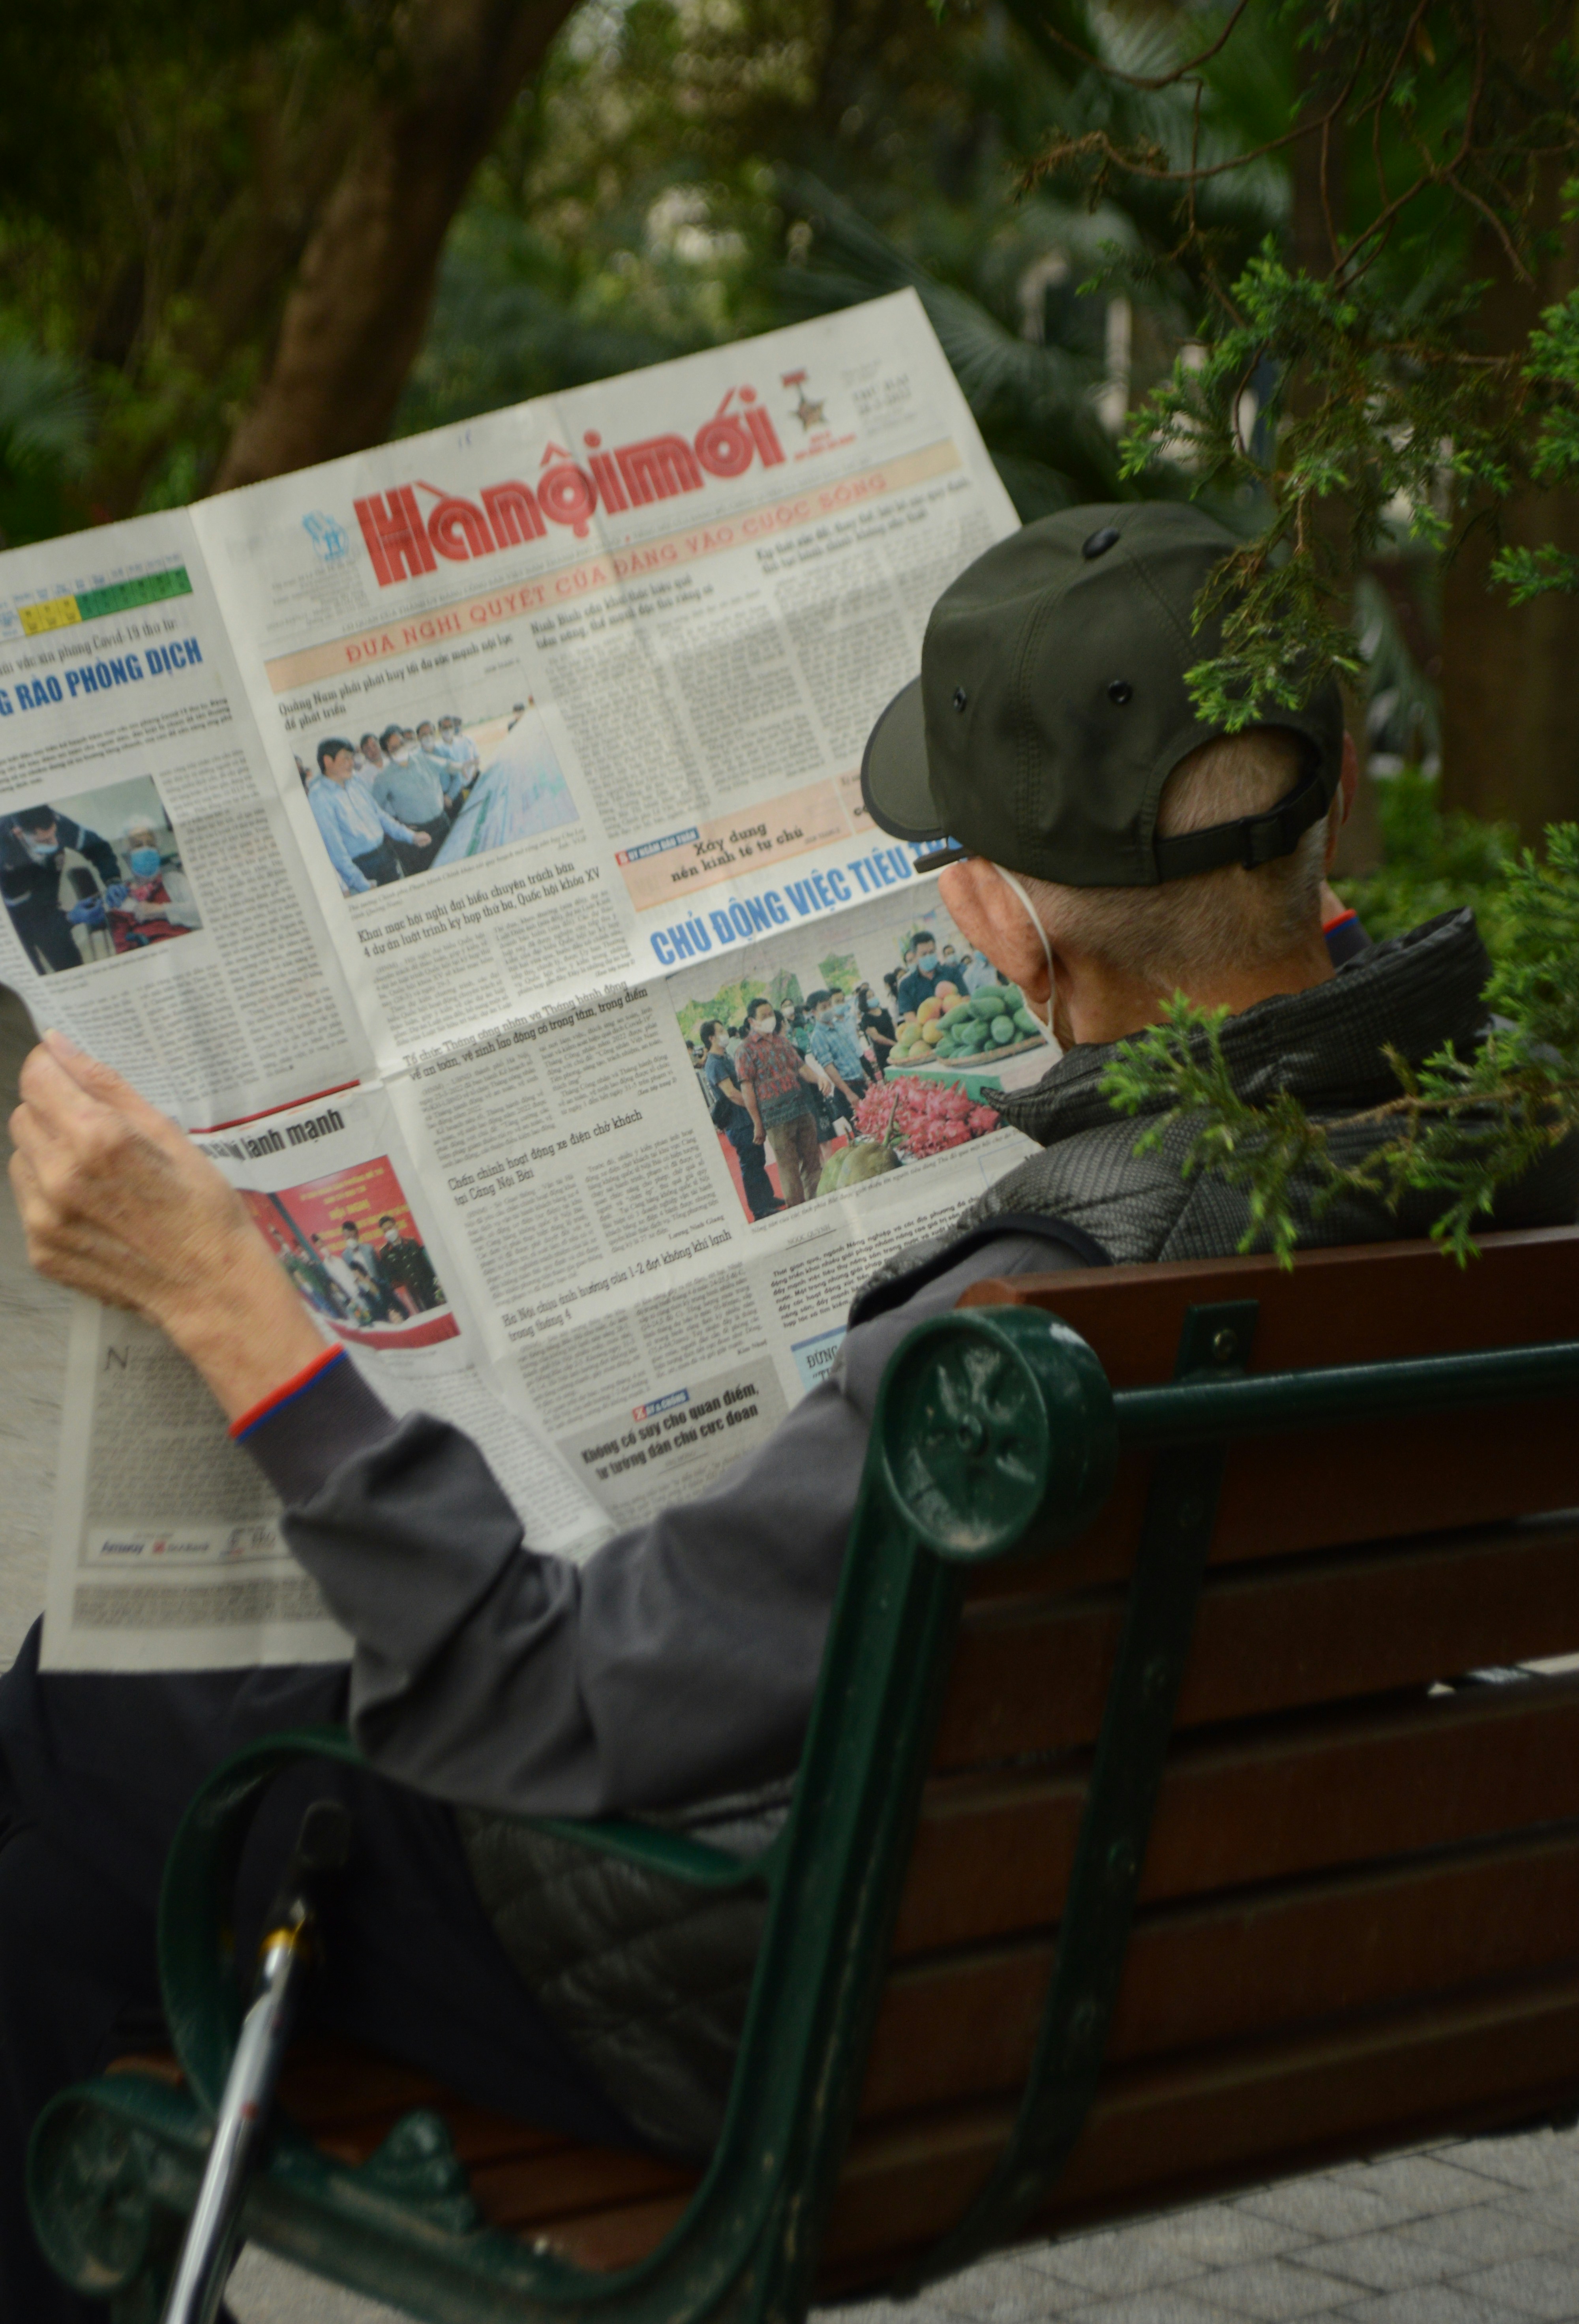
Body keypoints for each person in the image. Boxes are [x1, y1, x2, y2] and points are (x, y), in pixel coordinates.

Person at [8, 502, 1577, 2324]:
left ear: (1005, 926)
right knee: (60, 1881)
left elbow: (532, 1694)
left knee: (71, 1731)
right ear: (1306, 832)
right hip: (1202, 1951)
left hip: (809, 2003)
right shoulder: (1490, 1160)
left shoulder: (1036, 1324)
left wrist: (223, 1295)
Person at [0, 806, 124, 974]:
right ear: (18, 833)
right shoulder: (6, 858)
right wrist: (71, 918)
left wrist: (113, 879)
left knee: (73, 968)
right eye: (44, 841)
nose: (55, 844)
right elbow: (31, 920)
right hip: (15, 918)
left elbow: (98, 848)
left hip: (49, 903)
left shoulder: (59, 823)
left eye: (54, 835)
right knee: (33, 972)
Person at [736, 998, 835, 1208]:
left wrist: (819, 1079)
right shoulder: (746, 1050)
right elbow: (747, 1091)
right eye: (764, 1016)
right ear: (752, 1022)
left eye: (771, 1014)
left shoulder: (782, 1042)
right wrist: (758, 1124)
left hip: (801, 1110)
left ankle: (819, 1206)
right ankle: (799, 1212)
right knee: (790, 1171)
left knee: (812, 1164)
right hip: (776, 1120)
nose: (770, 1019)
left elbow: (801, 1068)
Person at [308, 738, 430, 892]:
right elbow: (335, 849)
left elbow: (380, 816)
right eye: (346, 758)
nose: (351, 763)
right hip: (363, 868)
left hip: (385, 855)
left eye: (351, 758)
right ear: (328, 761)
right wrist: (362, 884)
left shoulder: (355, 783)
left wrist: (411, 836)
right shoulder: (319, 797)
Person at [699, 1017, 780, 1223]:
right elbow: (732, 1094)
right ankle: (759, 1209)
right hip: (738, 1123)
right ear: (712, 1038)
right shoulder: (714, 1064)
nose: (725, 1033)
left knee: (758, 1161)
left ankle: (768, 1199)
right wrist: (755, 1105)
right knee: (750, 1166)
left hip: (746, 1119)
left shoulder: (725, 1058)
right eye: (720, 1031)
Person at [107, 817, 201, 953]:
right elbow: (122, 948)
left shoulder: (175, 880)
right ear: (127, 857)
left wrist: (161, 911)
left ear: (158, 851)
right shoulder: (122, 898)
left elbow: (202, 913)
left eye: (151, 845)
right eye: (138, 846)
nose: (146, 850)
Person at [373, 730, 452, 868]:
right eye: (394, 748)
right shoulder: (384, 778)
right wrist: (398, 826)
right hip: (419, 834)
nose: (400, 749)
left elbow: (447, 767)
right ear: (387, 753)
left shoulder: (422, 758)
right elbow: (375, 810)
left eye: (401, 744)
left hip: (442, 823)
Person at [803, 990, 869, 1109]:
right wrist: (849, 1093)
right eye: (824, 1008)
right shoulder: (818, 1037)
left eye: (830, 1005)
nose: (829, 1009)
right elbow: (829, 1068)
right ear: (814, 1012)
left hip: (861, 1082)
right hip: (848, 1089)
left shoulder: (838, 1026)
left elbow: (853, 1054)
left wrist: (866, 1077)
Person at [340, 1220, 411, 1323]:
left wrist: (386, 1285)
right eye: (348, 1237)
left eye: (353, 1236)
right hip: (368, 1293)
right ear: (344, 1237)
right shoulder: (345, 1256)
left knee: (397, 1313)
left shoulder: (369, 1249)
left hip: (380, 1288)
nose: (351, 1239)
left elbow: (380, 1269)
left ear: (357, 1234)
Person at [375, 1213, 445, 1313]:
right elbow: (391, 1280)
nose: (389, 1232)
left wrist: (436, 1285)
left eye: (390, 1228)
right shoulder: (385, 1253)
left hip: (428, 1290)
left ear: (396, 1226)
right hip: (411, 1298)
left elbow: (426, 1267)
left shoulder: (412, 1243)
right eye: (385, 1231)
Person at [895, 930, 948, 1019]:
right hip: (927, 1031)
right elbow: (910, 1018)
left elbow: (965, 999)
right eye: (924, 954)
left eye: (932, 952)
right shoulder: (906, 986)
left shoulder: (951, 973)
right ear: (915, 956)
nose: (928, 957)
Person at [856, 981, 897, 1069]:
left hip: (897, 1046)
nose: (872, 998)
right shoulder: (866, 1019)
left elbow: (894, 1026)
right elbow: (877, 1038)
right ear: (864, 1001)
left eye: (873, 995)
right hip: (884, 1052)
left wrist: (899, 1041)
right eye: (869, 997)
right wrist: (894, 1044)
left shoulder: (884, 1011)